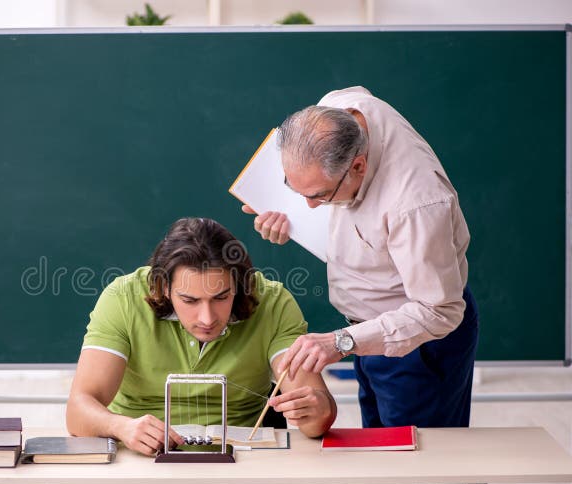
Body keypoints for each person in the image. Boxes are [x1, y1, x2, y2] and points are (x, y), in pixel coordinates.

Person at [244, 86, 478, 429]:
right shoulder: (343, 109)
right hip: (368, 337)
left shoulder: (417, 205)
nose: (309, 205)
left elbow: (440, 310)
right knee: (379, 457)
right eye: (297, 191)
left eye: (320, 195)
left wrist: (343, 341)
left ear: (358, 165)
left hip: (418, 344)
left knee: (415, 468)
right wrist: (288, 212)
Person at [66, 217, 336, 456]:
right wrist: (121, 426)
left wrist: (318, 411)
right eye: (190, 300)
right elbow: (78, 411)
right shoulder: (122, 299)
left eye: (220, 297)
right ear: (163, 288)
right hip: (140, 460)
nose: (207, 318)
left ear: (239, 286)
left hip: (241, 467)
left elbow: (315, 420)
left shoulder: (273, 302)